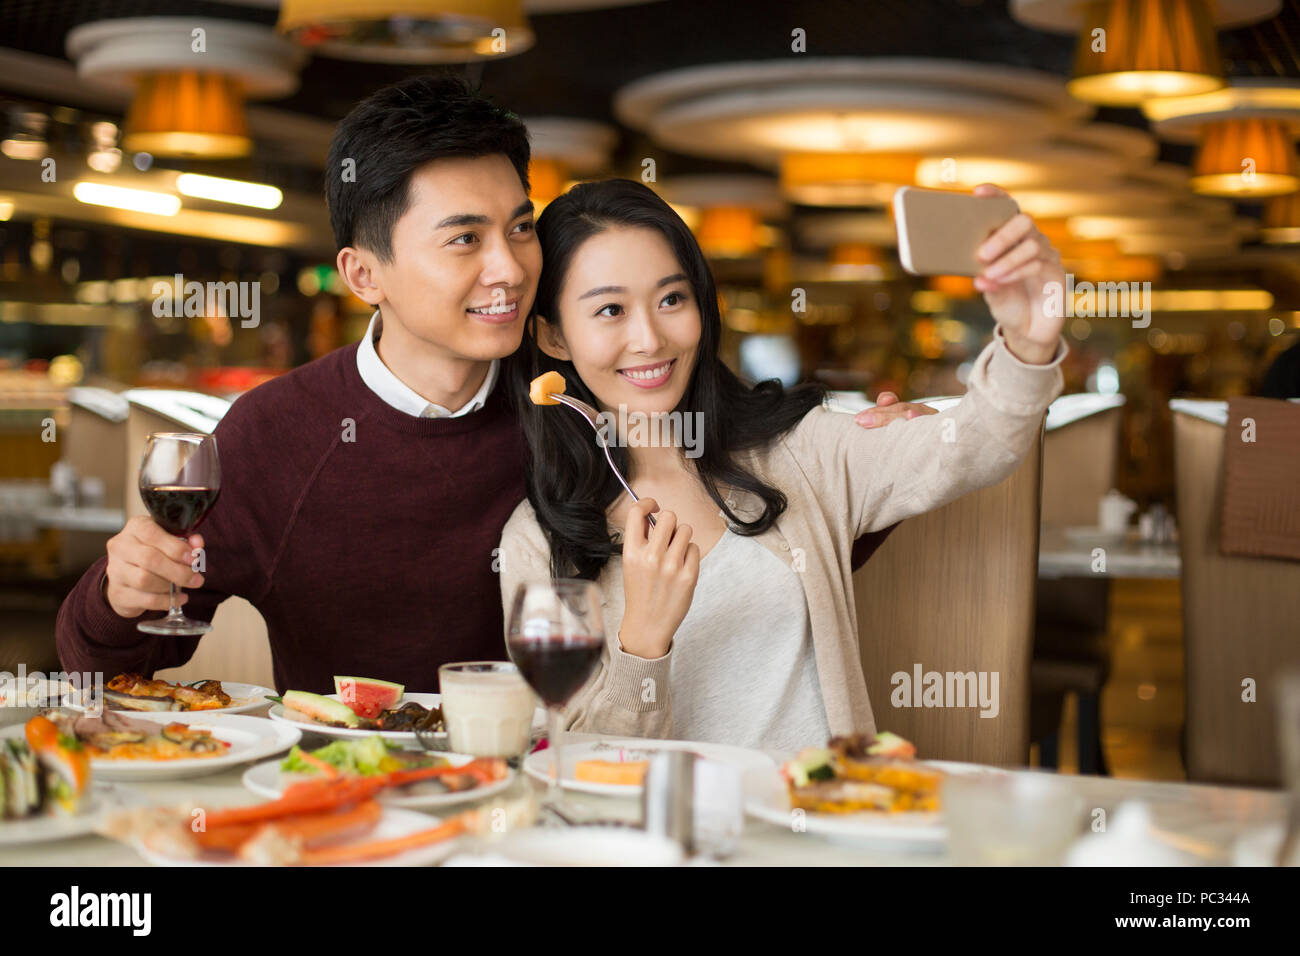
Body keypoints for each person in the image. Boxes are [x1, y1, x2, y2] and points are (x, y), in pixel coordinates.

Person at [54, 74, 927, 694]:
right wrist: (120, 590)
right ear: (366, 274)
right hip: (369, 816)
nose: (511, 268)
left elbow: (745, 527)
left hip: (579, 792)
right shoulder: (274, 436)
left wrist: (862, 471)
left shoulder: (585, 386)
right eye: (464, 239)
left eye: (518, 226)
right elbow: (106, 665)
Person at [499, 179, 1068, 752]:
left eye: (672, 299)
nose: (649, 338)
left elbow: (977, 444)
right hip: (661, 838)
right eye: (610, 310)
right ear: (553, 335)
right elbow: (572, 766)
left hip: (823, 818)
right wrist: (643, 642)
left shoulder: (798, 449)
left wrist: (1027, 339)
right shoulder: (536, 540)